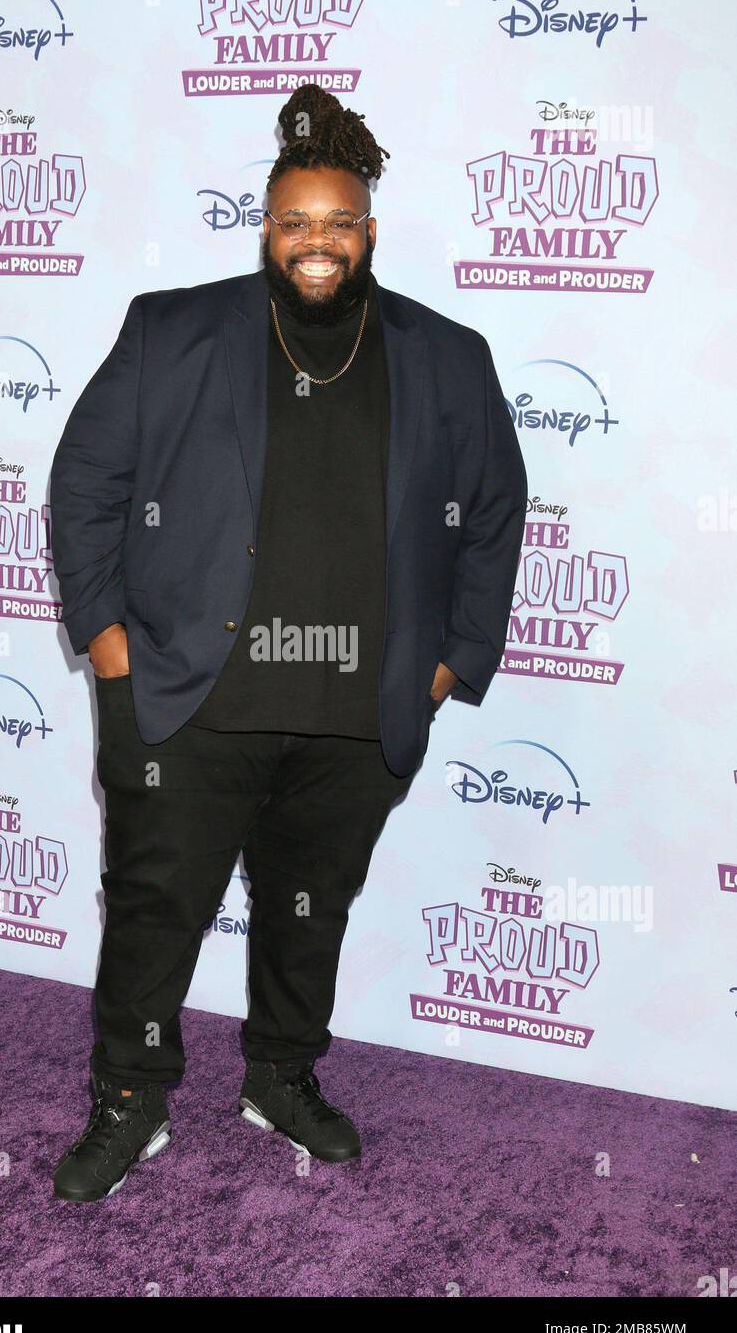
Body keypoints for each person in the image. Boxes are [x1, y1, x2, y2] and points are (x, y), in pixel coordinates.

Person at [48, 83, 527, 1202]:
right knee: (156, 909)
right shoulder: (172, 330)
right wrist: (104, 641)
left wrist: (451, 660)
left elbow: (496, 512)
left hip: (354, 714)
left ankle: (280, 1074)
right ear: (266, 228)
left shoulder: (445, 355)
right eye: (293, 223)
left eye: (337, 223)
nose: (316, 244)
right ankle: (129, 1098)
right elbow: (85, 484)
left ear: (368, 230)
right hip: (187, 699)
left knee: (309, 909)